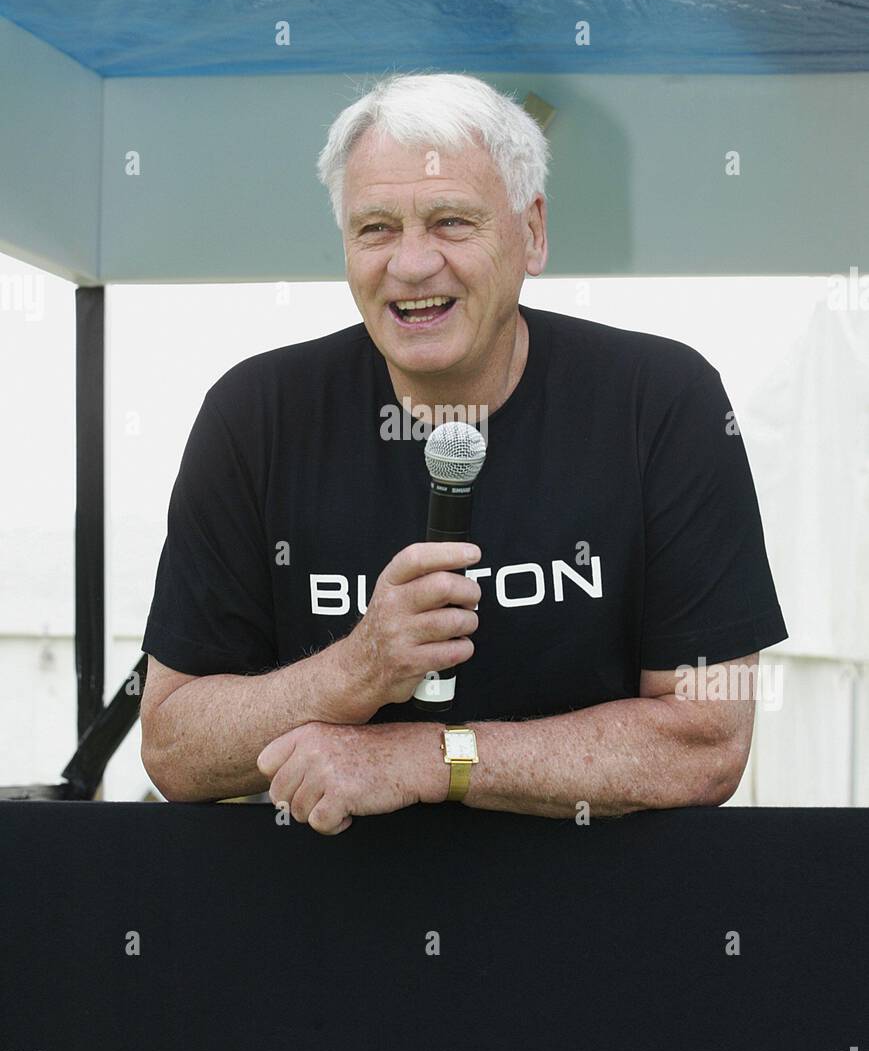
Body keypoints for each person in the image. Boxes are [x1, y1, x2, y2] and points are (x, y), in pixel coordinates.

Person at [140, 71, 787, 830]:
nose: (410, 265)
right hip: (326, 922)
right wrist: (357, 669)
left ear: (532, 233)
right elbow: (173, 747)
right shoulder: (256, 414)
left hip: (601, 921)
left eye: (450, 221)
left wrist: (425, 759)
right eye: (375, 227)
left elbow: (707, 740)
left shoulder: (662, 400)